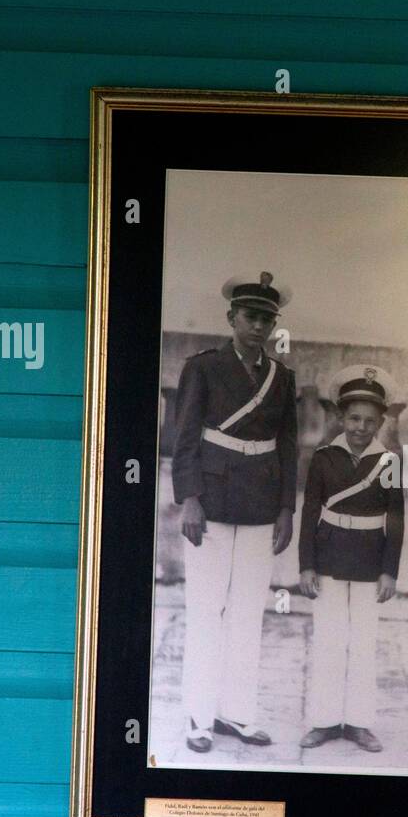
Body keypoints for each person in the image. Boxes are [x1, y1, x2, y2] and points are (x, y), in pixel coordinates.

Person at [171, 271, 297, 753]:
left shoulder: (282, 378)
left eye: (268, 318)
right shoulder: (203, 368)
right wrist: (190, 498)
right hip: (213, 503)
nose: (259, 325)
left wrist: (287, 507)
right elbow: (184, 439)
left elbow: (287, 445)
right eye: (251, 316)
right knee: (205, 612)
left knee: (248, 614)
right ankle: (198, 718)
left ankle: (237, 714)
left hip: (262, 506)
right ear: (231, 318)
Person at [298, 365, 404, 753]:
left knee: (362, 642)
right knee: (328, 640)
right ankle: (324, 721)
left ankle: (359, 723)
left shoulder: (390, 461)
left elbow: (396, 518)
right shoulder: (324, 458)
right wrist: (306, 564)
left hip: (368, 563)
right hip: (327, 560)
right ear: (340, 417)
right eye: (354, 418)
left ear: (380, 422)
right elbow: (310, 511)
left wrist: (389, 571)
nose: (361, 427)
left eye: (370, 421)